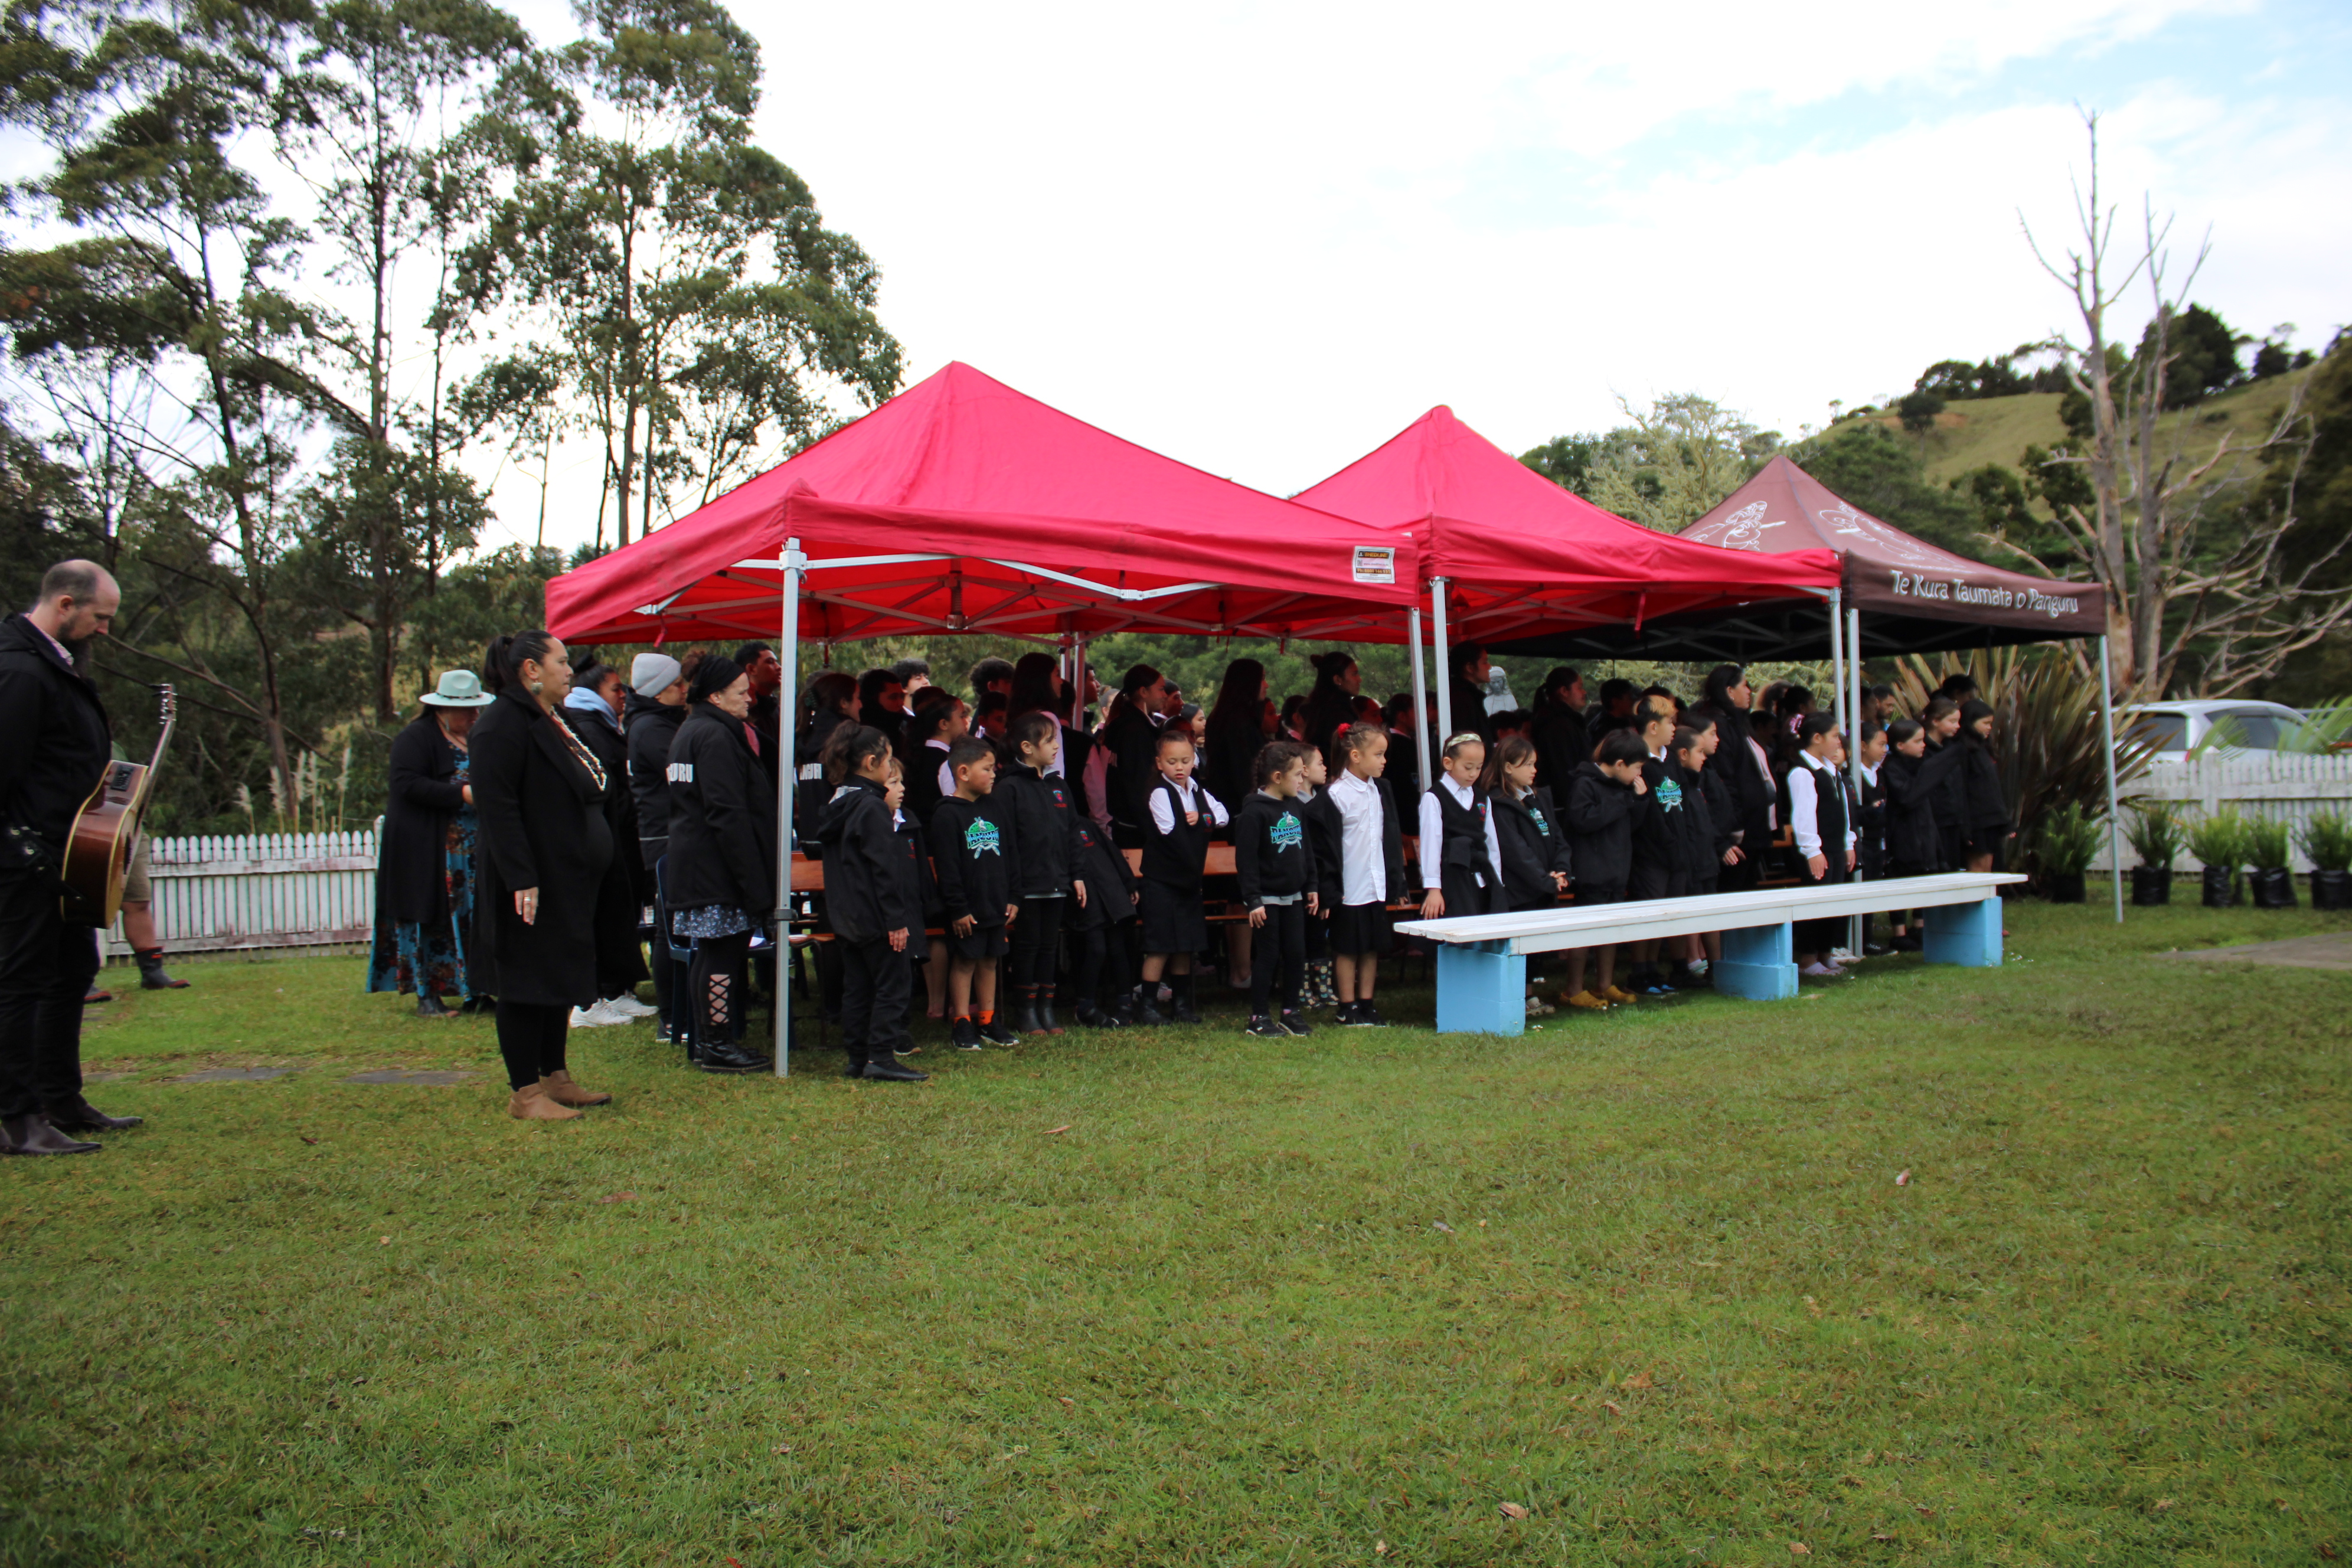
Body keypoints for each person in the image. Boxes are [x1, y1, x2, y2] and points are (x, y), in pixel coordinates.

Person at [0, 560, 136, 1152]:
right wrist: (21, 845)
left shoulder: (56, 665)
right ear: (64, 604)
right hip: (28, 858)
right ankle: (18, 1118)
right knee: (22, 982)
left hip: (72, 853)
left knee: (72, 972)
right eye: (99, 617)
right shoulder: (20, 671)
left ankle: (60, 1098)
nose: (104, 630)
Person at [470, 630, 618, 1120]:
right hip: (528, 880)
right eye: (560, 661)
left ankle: (555, 1075)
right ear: (531, 670)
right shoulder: (501, 725)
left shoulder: (554, 719)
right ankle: (525, 1093)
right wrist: (520, 877)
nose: (569, 670)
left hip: (568, 874)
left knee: (558, 975)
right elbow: (499, 808)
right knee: (525, 980)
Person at [660, 654, 778, 1074]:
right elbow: (726, 812)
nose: (749, 699)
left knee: (712, 954)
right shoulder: (713, 736)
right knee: (722, 955)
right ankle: (717, 1042)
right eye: (742, 692)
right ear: (715, 696)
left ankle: (711, 1038)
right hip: (717, 868)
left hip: (702, 864)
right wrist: (752, 881)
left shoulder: (695, 730)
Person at [369, 668, 494, 1017]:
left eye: (476, 709)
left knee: (473, 918)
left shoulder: (476, 737)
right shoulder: (416, 737)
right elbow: (406, 784)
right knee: (428, 920)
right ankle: (427, 994)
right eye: (467, 710)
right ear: (443, 709)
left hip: (469, 852)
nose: (474, 716)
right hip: (428, 848)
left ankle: (477, 990)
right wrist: (462, 794)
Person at [814, 724, 926, 1082]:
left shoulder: (838, 803)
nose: (890, 767)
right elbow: (885, 870)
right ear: (871, 761)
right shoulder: (872, 808)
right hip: (877, 916)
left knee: (858, 987)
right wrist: (896, 920)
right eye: (888, 760)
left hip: (846, 915)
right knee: (894, 984)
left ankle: (857, 1058)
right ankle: (881, 1056)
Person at [561, 661, 653, 1027]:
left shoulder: (605, 726)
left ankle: (615, 989)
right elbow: (604, 784)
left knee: (620, 914)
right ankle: (591, 998)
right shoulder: (589, 727)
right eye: (615, 689)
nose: (623, 696)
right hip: (606, 836)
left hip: (618, 835)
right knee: (601, 918)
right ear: (594, 692)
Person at [994, 711, 1086, 1036]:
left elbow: (1073, 832)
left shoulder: (1059, 786)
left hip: (1057, 882)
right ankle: (1025, 1011)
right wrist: (1013, 889)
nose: (1057, 747)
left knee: (1050, 946)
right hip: (1027, 886)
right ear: (1027, 747)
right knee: (1028, 946)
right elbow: (1006, 842)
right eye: (1049, 741)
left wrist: (1076, 874)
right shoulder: (1010, 788)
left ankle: (1046, 1008)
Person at [929, 737, 1018, 1050]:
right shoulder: (946, 815)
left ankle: (988, 1019)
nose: (995, 774)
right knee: (966, 961)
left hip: (996, 903)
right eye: (988, 768)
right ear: (964, 772)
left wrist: (1013, 896)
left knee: (990, 961)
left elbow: (1010, 853)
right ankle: (962, 1022)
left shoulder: (995, 806)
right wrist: (957, 908)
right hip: (967, 909)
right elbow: (948, 868)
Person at [1137, 727, 1226, 1024]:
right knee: (1160, 945)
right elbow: (1171, 833)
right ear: (1160, 763)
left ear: (1194, 761)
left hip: (1188, 883)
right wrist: (1201, 827)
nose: (1180, 767)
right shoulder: (1160, 793)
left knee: (1184, 946)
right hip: (1163, 882)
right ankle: (1148, 1005)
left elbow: (1222, 815)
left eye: (1186, 761)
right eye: (1172, 761)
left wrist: (1203, 818)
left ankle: (1182, 1005)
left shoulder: (1198, 790)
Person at [1558, 730, 1647, 1010]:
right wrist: (1624, 800)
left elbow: (1631, 824)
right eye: (1637, 768)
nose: (1639, 774)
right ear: (1620, 764)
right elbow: (1584, 820)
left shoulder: (1623, 787)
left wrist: (1639, 800)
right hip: (1591, 872)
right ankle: (1574, 988)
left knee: (1611, 929)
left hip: (1617, 870)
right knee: (1585, 931)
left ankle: (1605, 984)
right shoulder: (1585, 784)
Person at [625, 652, 690, 1032]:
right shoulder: (651, 729)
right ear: (658, 691)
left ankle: (677, 1010)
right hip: (664, 837)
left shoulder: (656, 723)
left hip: (665, 834)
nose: (684, 690)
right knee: (670, 929)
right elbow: (682, 772)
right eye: (677, 685)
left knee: (673, 926)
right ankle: (672, 1014)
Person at [1233, 741, 1315, 1038]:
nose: (1301, 779)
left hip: (1293, 895)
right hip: (1265, 898)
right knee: (1269, 955)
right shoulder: (1255, 813)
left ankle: (1290, 1012)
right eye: (1297, 774)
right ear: (1278, 777)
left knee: (1296, 953)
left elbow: (1306, 849)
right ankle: (1258, 1016)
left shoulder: (1296, 806)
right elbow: (1247, 861)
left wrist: (1312, 886)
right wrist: (1253, 900)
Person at [1325, 723, 1402, 1027]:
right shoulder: (1336, 794)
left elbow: (1390, 835)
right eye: (1379, 754)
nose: (1384, 761)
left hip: (1375, 884)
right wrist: (1332, 886)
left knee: (1372, 946)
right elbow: (1328, 846)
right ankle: (1347, 1005)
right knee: (1347, 947)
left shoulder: (1380, 789)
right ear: (1356, 756)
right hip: (1350, 887)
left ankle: (1367, 1003)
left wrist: (1395, 880)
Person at [1785, 713, 1854, 978]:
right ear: (1817, 738)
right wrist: (1812, 850)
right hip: (1817, 851)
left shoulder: (1831, 769)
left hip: (1835, 847)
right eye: (1835, 736)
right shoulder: (1803, 772)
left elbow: (1844, 810)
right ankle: (1808, 957)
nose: (1839, 742)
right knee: (1815, 903)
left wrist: (1848, 842)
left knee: (1833, 903)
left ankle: (1826, 952)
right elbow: (1804, 815)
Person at [1698, 665, 1775, 894]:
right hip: (1739, 830)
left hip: (1754, 827)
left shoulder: (1738, 722)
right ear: (1729, 691)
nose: (1750, 691)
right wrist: (1736, 825)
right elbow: (1725, 779)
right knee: (1733, 888)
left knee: (1747, 890)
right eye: (1745, 685)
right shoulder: (1720, 724)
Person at [1484, 733, 1572, 915]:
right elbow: (1517, 853)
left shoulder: (1540, 798)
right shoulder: (1499, 804)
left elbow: (1558, 839)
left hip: (1547, 891)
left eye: (1534, 764)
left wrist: (1562, 871)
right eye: (1528, 765)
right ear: (1508, 767)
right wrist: (1546, 881)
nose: (1534, 770)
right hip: (1521, 898)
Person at [1417, 731, 1501, 920]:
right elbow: (1432, 845)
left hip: (1481, 879)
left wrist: (1497, 881)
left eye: (1479, 768)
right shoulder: (1434, 798)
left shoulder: (1482, 798)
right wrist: (1434, 889)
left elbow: (1491, 843)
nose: (1474, 774)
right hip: (1452, 879)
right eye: (1468, 767)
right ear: (1449, 763)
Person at [1067, 812, 1139, 1028]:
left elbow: (1112, 852)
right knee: (1096, 949)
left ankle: (1125, 1004)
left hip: (1111, 892)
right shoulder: (1052, 827)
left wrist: (1129, 883)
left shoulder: (1083, 824)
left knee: (1119, 949)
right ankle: (1085, 1006)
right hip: (1085, 899)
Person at [1100, 664, 1168, 847]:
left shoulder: (1128, 726)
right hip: (1137, 831)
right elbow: (1140, 786)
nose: (1165, 694)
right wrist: (1154, 833)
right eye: (1161, 689)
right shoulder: (1135, 732)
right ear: (1144, 692)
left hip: (1128, 825)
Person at [1529, 667, 1589, 797]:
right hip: (1566, 801)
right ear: (1564, 691)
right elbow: (1564, 771)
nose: (1584, 692)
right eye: (1579, 687)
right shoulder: (1557, 725)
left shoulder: (1565, 721)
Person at [1297, 651, 1361, 769]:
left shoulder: (1321, 708)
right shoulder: (1338, 714)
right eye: (1354, 674)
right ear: (1338, 679)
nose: (1359, 680)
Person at [734, 642, 785, 784]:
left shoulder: (778, 710)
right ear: (751, 669)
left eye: (777, 662)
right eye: (770, 662)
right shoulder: (738, 712)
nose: (779, 668)